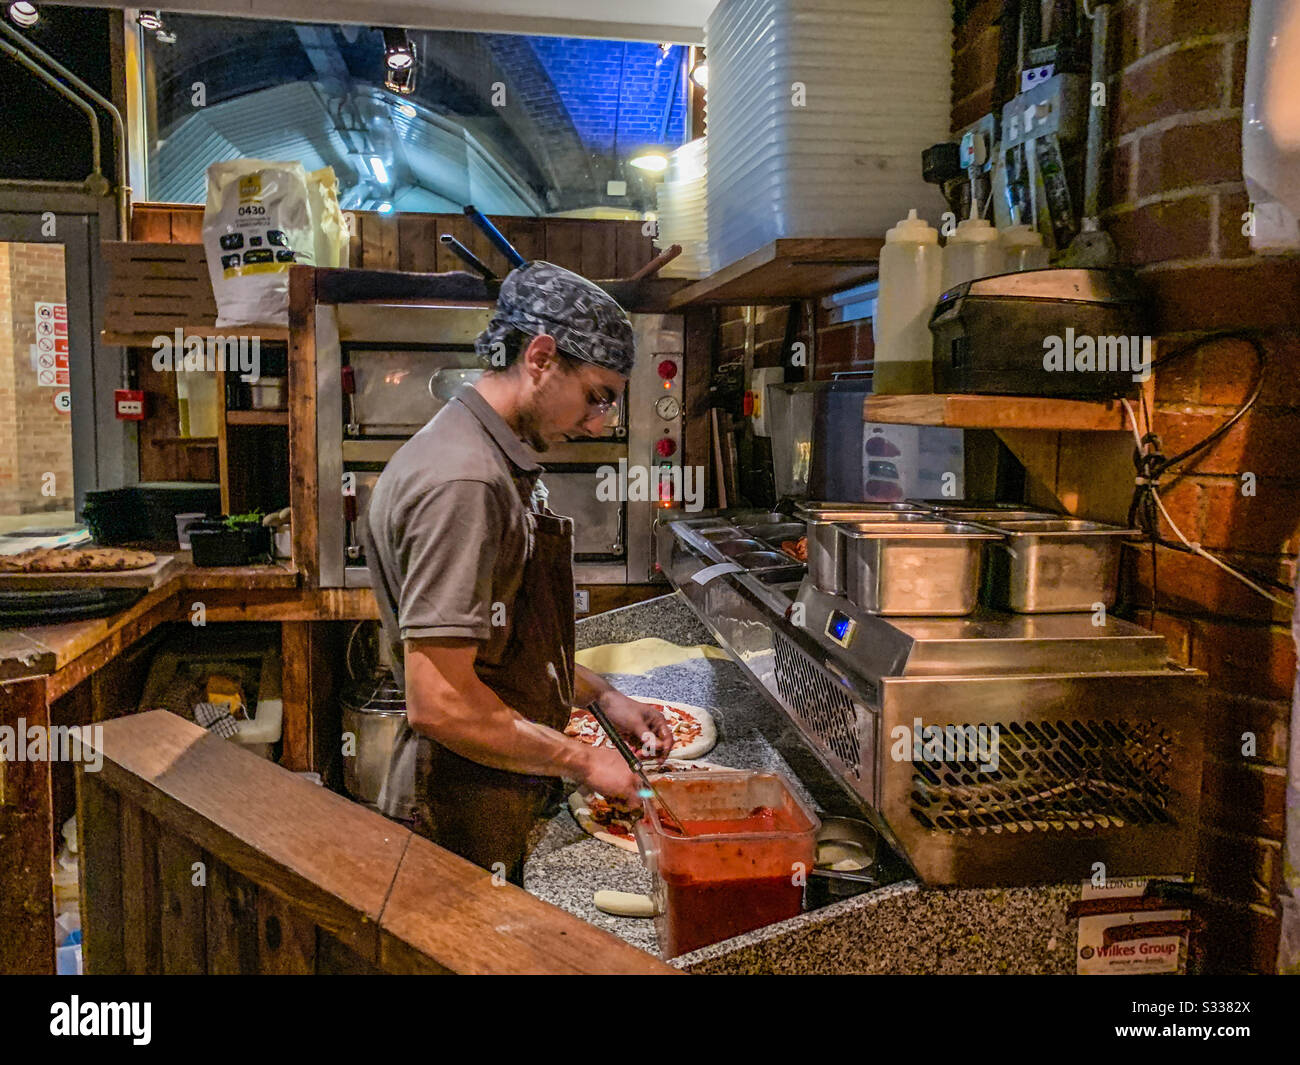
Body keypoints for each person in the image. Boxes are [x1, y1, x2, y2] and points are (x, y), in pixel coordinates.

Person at [363, 260, 673, 885]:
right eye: (596, 396)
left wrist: (602, 696)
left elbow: (500, 654)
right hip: (456, 804)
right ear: (539, 357)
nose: (599, 423)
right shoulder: (466, 481)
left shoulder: (490, 455)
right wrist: (583, 762)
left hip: (491, 784)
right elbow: (442, 702)